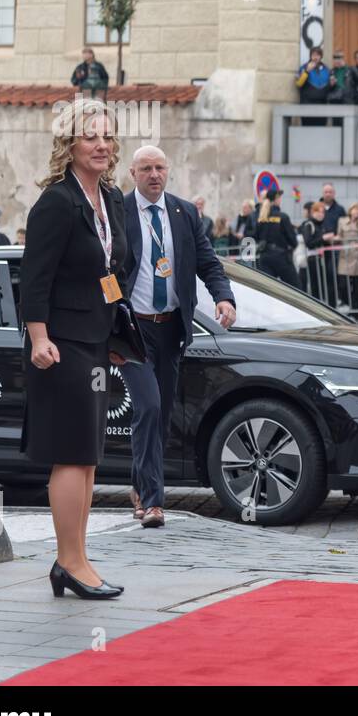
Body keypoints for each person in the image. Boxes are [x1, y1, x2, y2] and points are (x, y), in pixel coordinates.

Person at [20, 100, 128, 600]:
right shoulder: (57, 203)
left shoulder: (110, 199)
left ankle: (78, 558)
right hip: (60, 346)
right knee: (69, 452)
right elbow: (35, 279)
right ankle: (68, 560)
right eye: (91, 137)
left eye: (107, 136)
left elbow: (112, 272)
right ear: (70, 144)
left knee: (88, 455)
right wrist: (39, 337)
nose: (102, 145)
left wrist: (118, 336)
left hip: (96, 342)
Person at [120, 145, 236, 529]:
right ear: (133, 174)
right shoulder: (119, 213)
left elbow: (207, 262)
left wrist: (223, 297)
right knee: (148, 407)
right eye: (146, 169)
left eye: (160, 168)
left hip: (170, 328)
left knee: (161, 414)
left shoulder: (184, 212)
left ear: (167, 171)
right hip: (133, 328)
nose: (154, 175)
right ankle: (153, 502)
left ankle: (139, 485)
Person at [255, 188, 299, 286]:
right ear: (277, 199)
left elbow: (256, 235)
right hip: (281, 257)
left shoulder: (261, 217)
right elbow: (293, 241)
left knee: (270, 291)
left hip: (264, 257)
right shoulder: (283, 217)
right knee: (295, 289)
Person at [337, 202, 358, 316]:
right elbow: (339, 235)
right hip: (345, 256)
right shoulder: (342, 221)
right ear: (350, 210)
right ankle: (348, 304)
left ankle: (355, 311)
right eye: (356, 209)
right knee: (343, 285)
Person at [294, 46, 332, 124]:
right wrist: (307, 71)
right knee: (307, 130)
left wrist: (332, 84)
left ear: (321, 56)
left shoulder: (326, 69)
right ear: (310, 56)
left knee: (321, 130)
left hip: (322, 105)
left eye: (317, 55)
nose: (315, 57)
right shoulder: (304, 67)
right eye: (313, 55)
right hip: (307, 104)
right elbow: (299, 84)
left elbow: (329, 88)